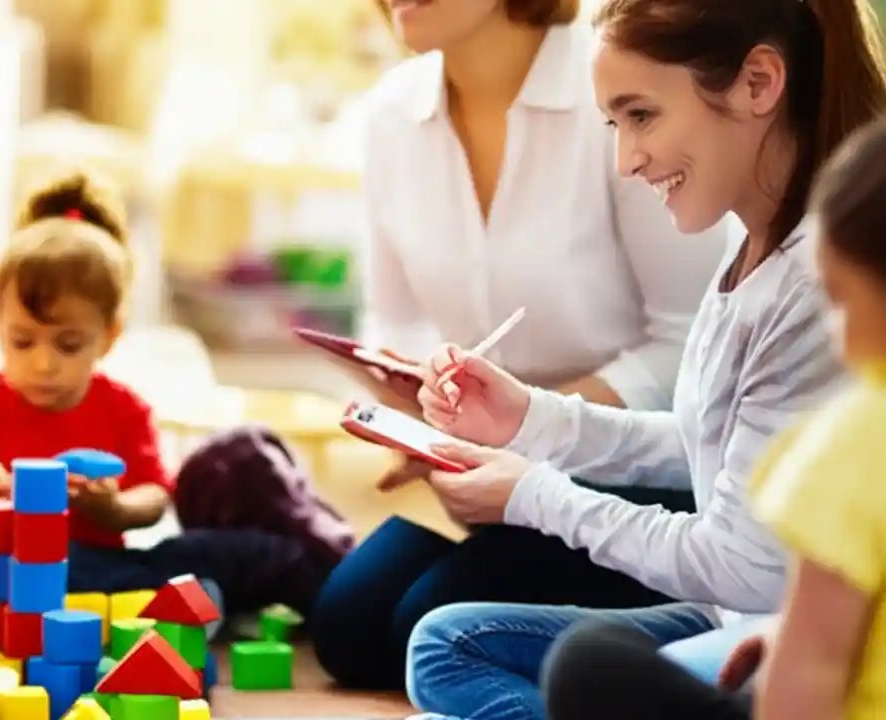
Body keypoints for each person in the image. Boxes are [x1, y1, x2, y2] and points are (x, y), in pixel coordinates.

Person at [402, 0, 886, 717]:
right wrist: (530, 419)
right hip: (722, 620)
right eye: (614, 124)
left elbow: (739, 565)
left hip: (771, 640)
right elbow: (710, 441)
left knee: (579, 668)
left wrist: (535, 495)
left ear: (758, 83)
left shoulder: (820, 287)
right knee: (443, 644)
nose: (626, 161)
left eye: (642, 116)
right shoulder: (747, 243)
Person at [310, 0, 728, 689]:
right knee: (348, 624)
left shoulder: (620, 93)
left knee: (422, 620)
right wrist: (420, 419)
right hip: (497, 475)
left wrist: (522, 425)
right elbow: (397, 323)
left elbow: (690, 347)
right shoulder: (391, 115)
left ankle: (696, 622)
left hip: (637, 478)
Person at [542, 113, 886, 720]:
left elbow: (813, 663)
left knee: (589, 662)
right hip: (743, 619)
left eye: (836, 302)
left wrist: (533, 493)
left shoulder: (849, 448)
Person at [0, 171, 335, 619]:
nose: (43, 363)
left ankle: (306, 584)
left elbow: (155, 498)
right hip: (15, 576)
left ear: (109, 336)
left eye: (68, 344)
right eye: (22, 342)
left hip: (110, 567)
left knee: (205, 552)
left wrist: (112, 507)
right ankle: (180, 604)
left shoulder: (122, 407)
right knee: (65, 572)